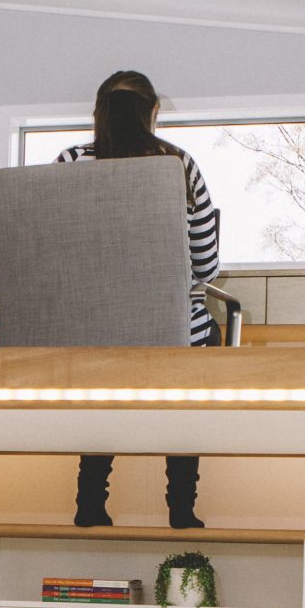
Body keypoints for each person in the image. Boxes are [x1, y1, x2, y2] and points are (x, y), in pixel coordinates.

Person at [58, 70, 220, 529]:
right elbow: (206, 267)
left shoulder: (69, 161)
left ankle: (90, 503)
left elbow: (54, 253)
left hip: (93, 337)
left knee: (103, 387)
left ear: (99, 114)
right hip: (173, 337)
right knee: (194, 359)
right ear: (152, 113)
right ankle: (182, 509)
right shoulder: (178, 165)